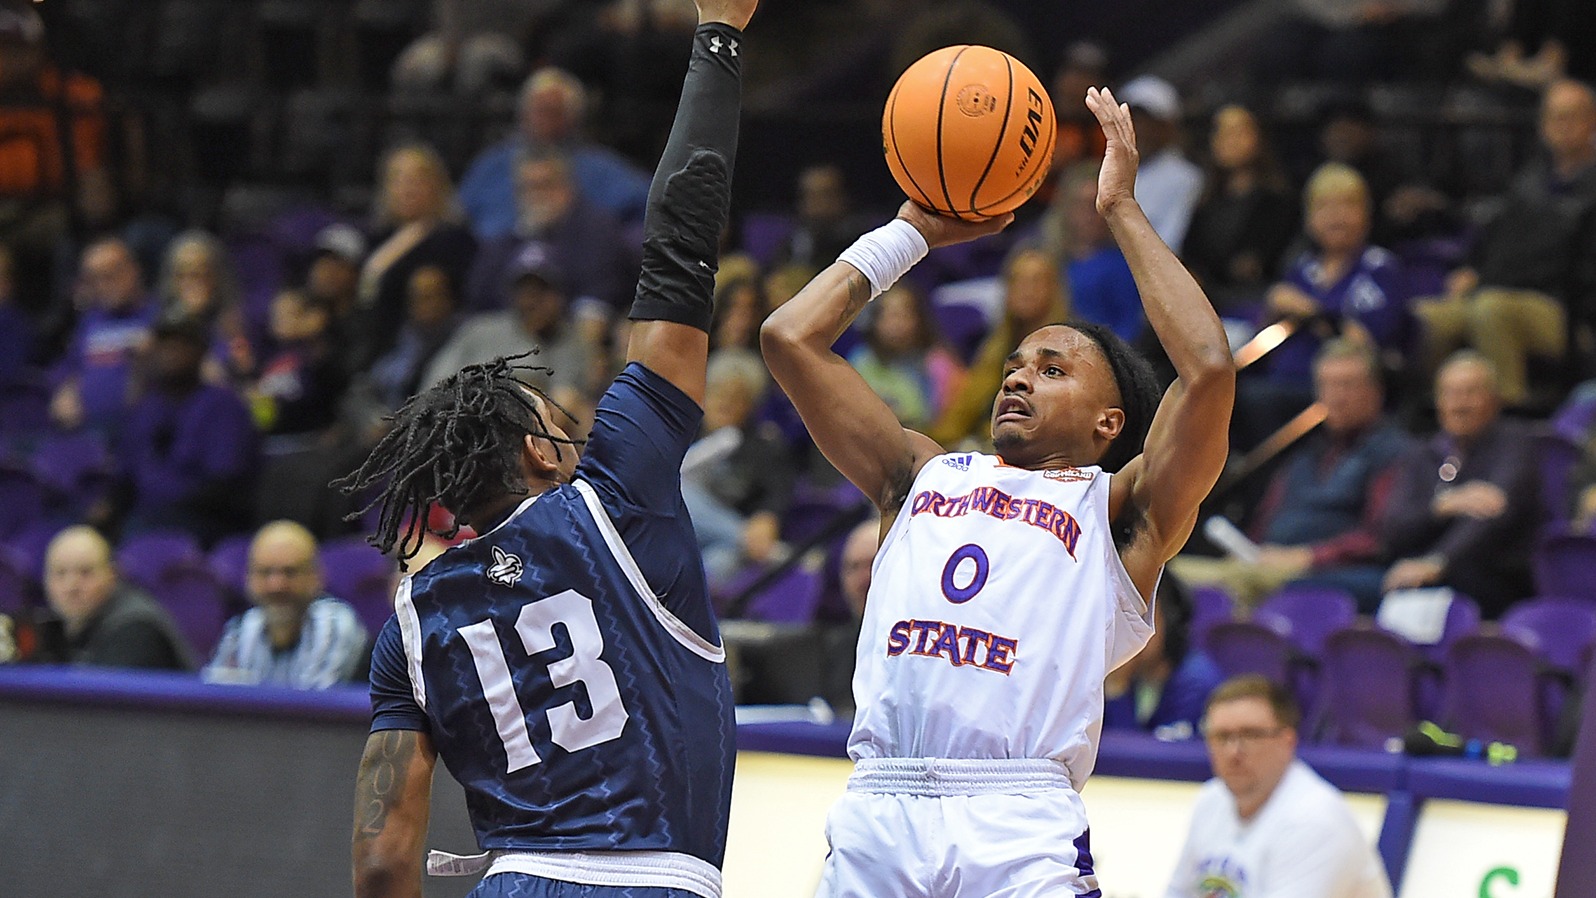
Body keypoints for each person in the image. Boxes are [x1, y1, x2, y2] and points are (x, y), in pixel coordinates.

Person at [762, 86, 1235, 897]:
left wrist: (1119, 206)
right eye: (1016, 363)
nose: (1020, 376)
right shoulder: (921, 473)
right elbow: (789, 337)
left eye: (1054, 370)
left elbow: (1210, 369)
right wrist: (910, 235)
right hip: (880, 808)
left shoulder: (1119, 510)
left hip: (1018, 818)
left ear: (1107, 423)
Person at [338, 3, 755, 896]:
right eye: (553, 415)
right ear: (537, 446)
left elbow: (380, 863)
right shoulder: (616, 500)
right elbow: (678, 257)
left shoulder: (411, 623)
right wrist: (719, 34)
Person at [1175, 339, 1411, 612]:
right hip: (1265, 563)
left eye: (1347, 385)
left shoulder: (1395, 453)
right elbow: (1267, 517)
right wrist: (1251, 550)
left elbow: (1377, 537)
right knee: (1176, 574)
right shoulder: (1305, 454)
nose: (1336, 396)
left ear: (1375, 392)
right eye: (1327, 385)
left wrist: (1306, 557)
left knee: (1235, 585)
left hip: (1326, 569)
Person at [1413, 79, 1596, 407]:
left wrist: (1492, 281)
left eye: (1573, 116)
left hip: (1565, 308)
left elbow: (1570, 267)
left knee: (1491, 310)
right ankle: (1433, 416)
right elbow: (1493, 238)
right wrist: (1470, 269)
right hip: (1501, 288)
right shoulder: (1529, 180)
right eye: (1555, 117)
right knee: (1427, 317)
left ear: (1592, 121)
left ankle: (1508, 422)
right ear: (1542, 126)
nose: (1563, 126)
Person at [1165, 675, 1393, 898]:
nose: (1233, 751)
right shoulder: (1212, 799)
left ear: (1287, 741)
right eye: (1222, 736)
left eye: (1250, 735)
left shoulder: (1315, 820)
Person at [1380, 351, 1540, 618]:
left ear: (1494, 399)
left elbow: (1493, 517)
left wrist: (1437, 562)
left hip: (1491, 575)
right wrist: (1441, 506)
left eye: (1470, 393)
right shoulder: (1423, 453)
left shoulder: (1515, 443)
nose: (1459, 404)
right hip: (1417, 570)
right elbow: (1393, 529)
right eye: (1450, 394)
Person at [457, 66, 654, 237]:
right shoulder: (492, 164)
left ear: (574, 117)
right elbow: (457, 214)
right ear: (523, 114)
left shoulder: (602, 169)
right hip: (496, 265)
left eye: (554, 111)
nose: (544, 120)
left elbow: (647, 208)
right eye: (538, 110)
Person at [117, 315, 258, 546]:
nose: (170, 352)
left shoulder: (223, 406)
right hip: (147, 517)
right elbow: (125, 477)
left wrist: (166, 505)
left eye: (181, 344)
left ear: (200, 352)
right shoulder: (146, 408)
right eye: (163, 344)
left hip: (206, 523)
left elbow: (224, 485)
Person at [928, 247, 1069, 447]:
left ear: (1054, 289)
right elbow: (960, 415)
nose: (1025, 290)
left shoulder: (1067, 350)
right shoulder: (994, 348)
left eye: (1035, 281)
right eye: (1017, 281)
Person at [204, 521, 369, 689]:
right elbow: (216, 699)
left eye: (290, 572)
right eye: (265, 572)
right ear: (249, 579)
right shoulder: (240, 629)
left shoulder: (335, 623)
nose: (276, 585)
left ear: (316, 577)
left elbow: (312, 707)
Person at [681, 349, 795, 590]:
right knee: (677, 490)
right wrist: (747, 536)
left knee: (719, 562)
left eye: (736, 397)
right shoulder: (682, 434)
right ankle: (744, 537)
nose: (725, 403)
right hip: (678, 532)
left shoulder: (763, 445)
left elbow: (777, 490)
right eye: (718, 393)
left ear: (751, 405)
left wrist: (768, 516)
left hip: (721, 545)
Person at [32, 525, 192, 670]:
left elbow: (94, 698)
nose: (71, 586)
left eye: (85, 572)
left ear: (112, 575)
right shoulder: (57, 626)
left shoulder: (136, 629)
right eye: (60, 573)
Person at [50, 237, 158, 436]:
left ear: (133, 270)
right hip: (86, 432)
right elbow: (69, 366)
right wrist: (65, 389)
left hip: (140, 433)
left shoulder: (158, 317)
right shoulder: (90, 321)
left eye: (111, 274)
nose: (103, 285)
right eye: (95, 278)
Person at [1102, 573, 1224, 740]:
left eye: (1139, 618)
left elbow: (1147, 761)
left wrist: (1116, 689)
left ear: (1172, 622)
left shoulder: (1197, 683)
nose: (1128, 631)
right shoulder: (1127, 673)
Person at [1117, 76, 1203, 255]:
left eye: (1146, 121)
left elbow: (1170, 243)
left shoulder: (1186, 178)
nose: (1137, 129)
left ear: (1168, 126)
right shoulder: (1110, 170)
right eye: (1131, 119)